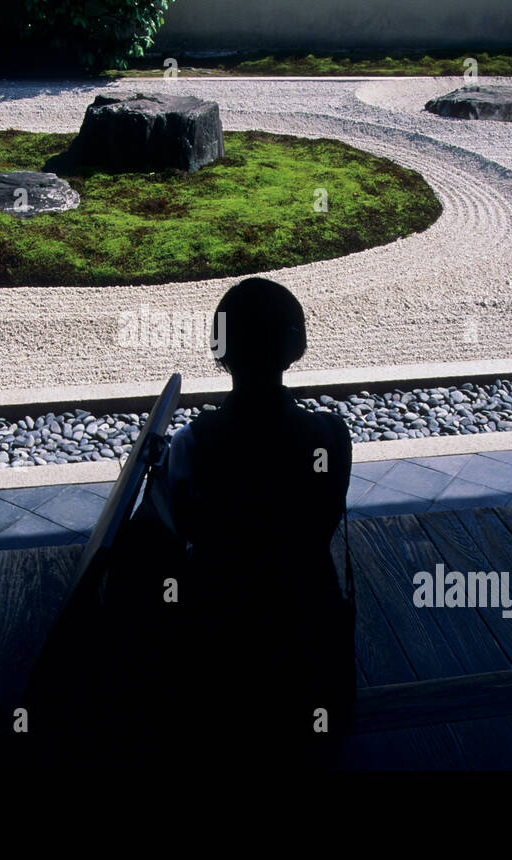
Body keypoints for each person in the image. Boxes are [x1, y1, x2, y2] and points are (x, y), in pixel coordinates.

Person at [138, 277, 356, 766]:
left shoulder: (192, 444)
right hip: (307, 625)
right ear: (295, 346)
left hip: (222, 631)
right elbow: (324, 513)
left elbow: (170, 531)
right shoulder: (331, 437)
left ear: (220, 350)